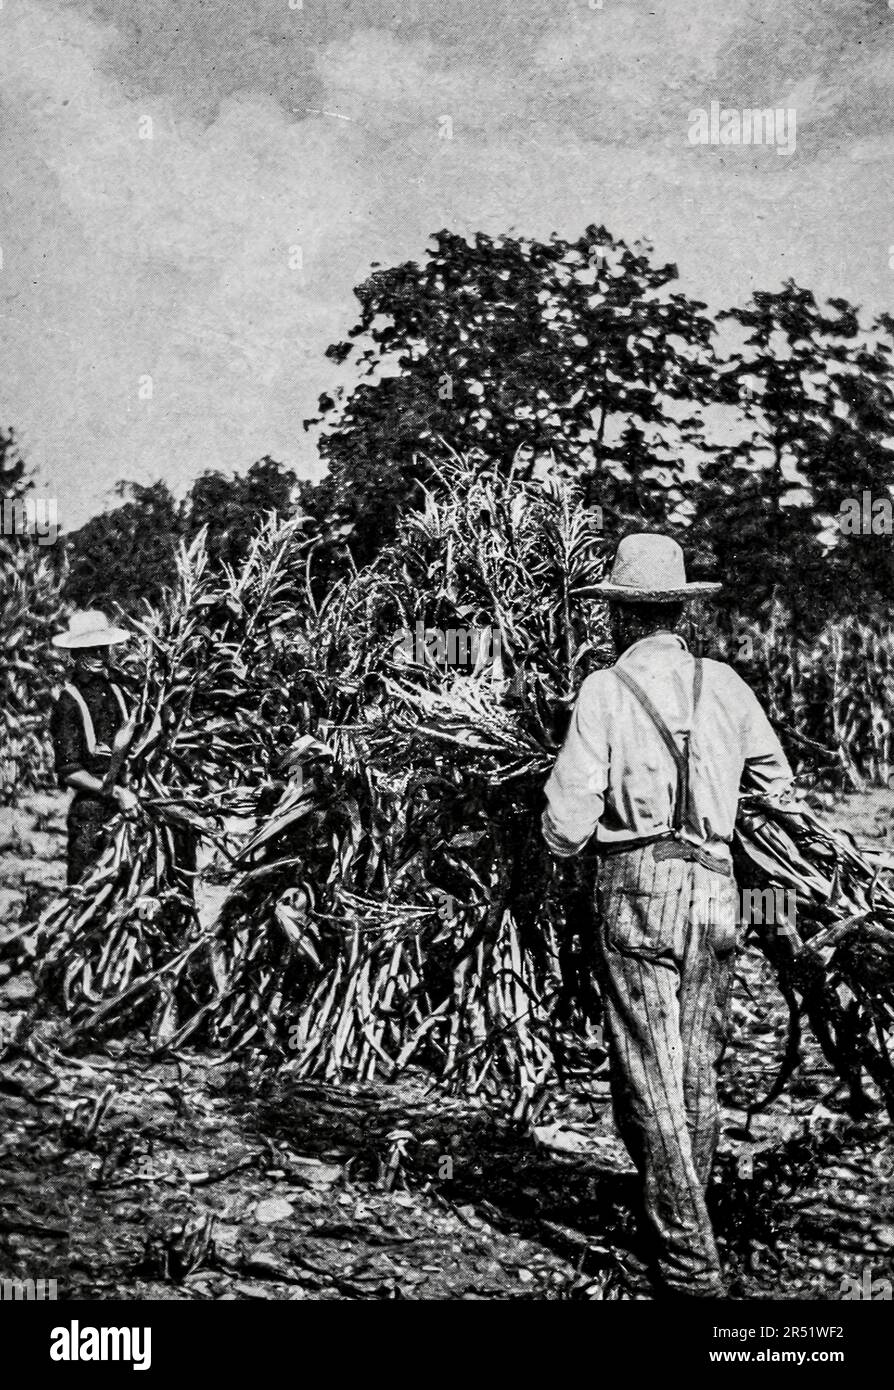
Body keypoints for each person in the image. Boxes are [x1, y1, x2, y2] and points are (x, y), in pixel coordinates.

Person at [542, 533, 794, 1299]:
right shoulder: (724, 683)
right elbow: (778, 785)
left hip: (637, 881)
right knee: (695, 1067)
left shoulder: (603, 692)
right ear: (682, 609)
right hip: (718, 885)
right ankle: (685, 1223)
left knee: (649, 1074)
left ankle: (689, 1269)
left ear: (620, 618)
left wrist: (550, 846)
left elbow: (569, 821)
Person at [49, 610, 137, 885]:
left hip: (130, 800)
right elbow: (69, 770)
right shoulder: (68, 702)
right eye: (90, 650)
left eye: (102, 648)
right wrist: (114, 791)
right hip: (93, 807)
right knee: (86, 887)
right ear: (75, 655)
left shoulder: (120, 691)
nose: (99, 655)